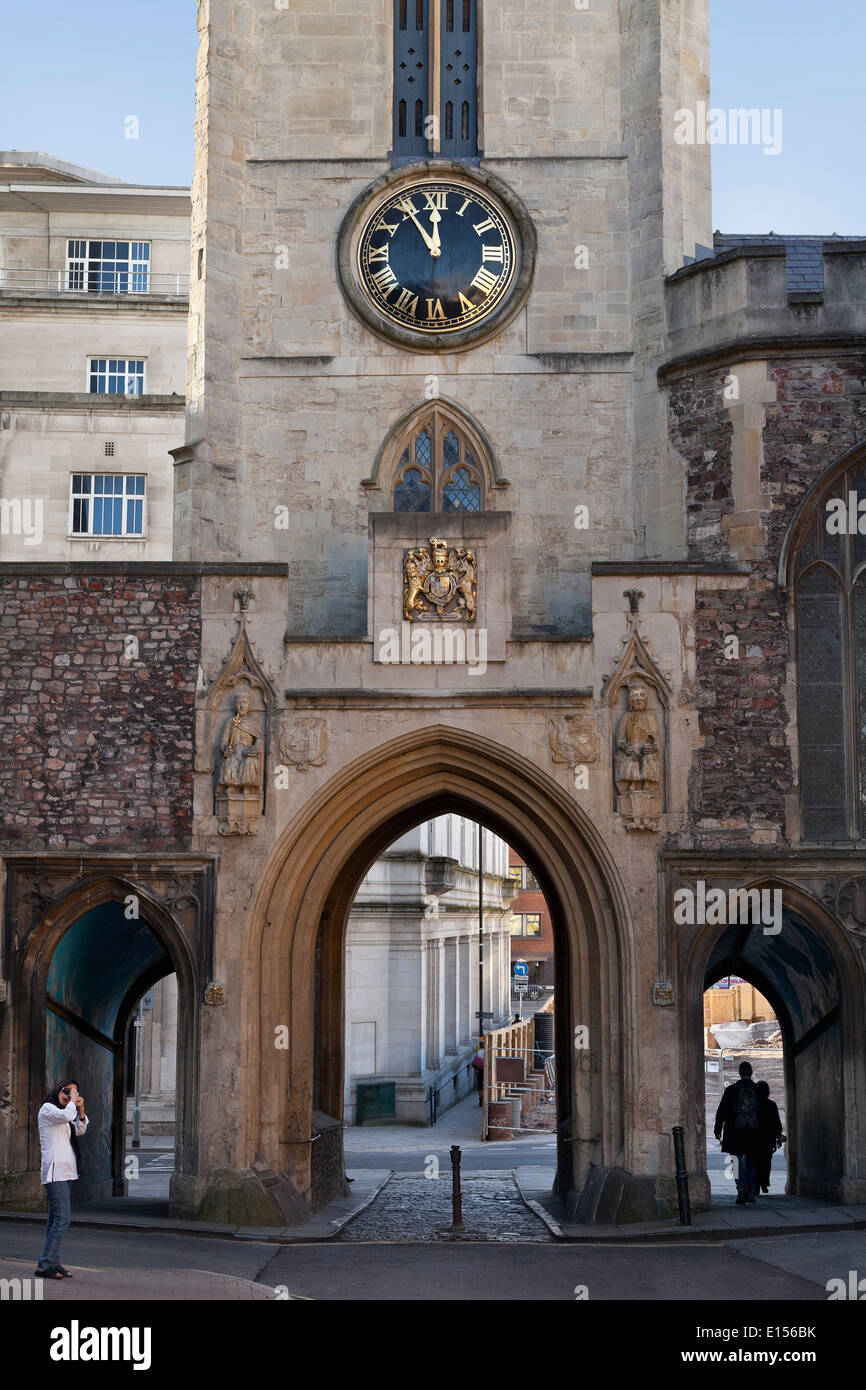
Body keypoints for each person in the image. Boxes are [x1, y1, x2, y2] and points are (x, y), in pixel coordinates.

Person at [35, 1079, 89, 1280]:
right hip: (55, 1173)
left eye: (73, 1093)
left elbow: (80, 1129)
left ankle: (50, 1262)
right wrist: (73, 1101)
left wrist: (80, 1109)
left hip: (67, 1172)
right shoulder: (48, 1109)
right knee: (62, 1219)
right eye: (66, 1091)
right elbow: (66, 1114)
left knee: (54, 1220)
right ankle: (46, 1264)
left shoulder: (66, 1115)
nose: (68, 1095)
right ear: (58, 1090)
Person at [714, 1060, 761, 1204]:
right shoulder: (758, 1089)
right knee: (752, 1161)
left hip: (735, 1131)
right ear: (751, 1072)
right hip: (754, 1131)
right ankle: (751, 1191)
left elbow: (722, 1110)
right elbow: (765, 1112)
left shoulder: (732, 1089)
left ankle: (740, 1188)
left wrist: (718, 1128)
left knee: (736, 1160)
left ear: (739, 1073)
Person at [755, 1080, 785, 1195]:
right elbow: (776, 1123)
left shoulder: (753, 1105)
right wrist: (778, 1137)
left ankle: (756, 1184)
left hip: (755, 1138)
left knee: (755, 1161)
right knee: (766, 1161)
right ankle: (764, 1181)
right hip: (768, 1138)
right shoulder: (772, 1105)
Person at [471, 1041, 485, 1106]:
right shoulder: (487, 1051)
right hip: (486, 1069)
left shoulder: (478, 1052)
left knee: (480, 1085)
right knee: (485, 1084)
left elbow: (475, 1062)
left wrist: (476, 1069)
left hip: (479, 1070)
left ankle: (480, 1097)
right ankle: (484, 1097)